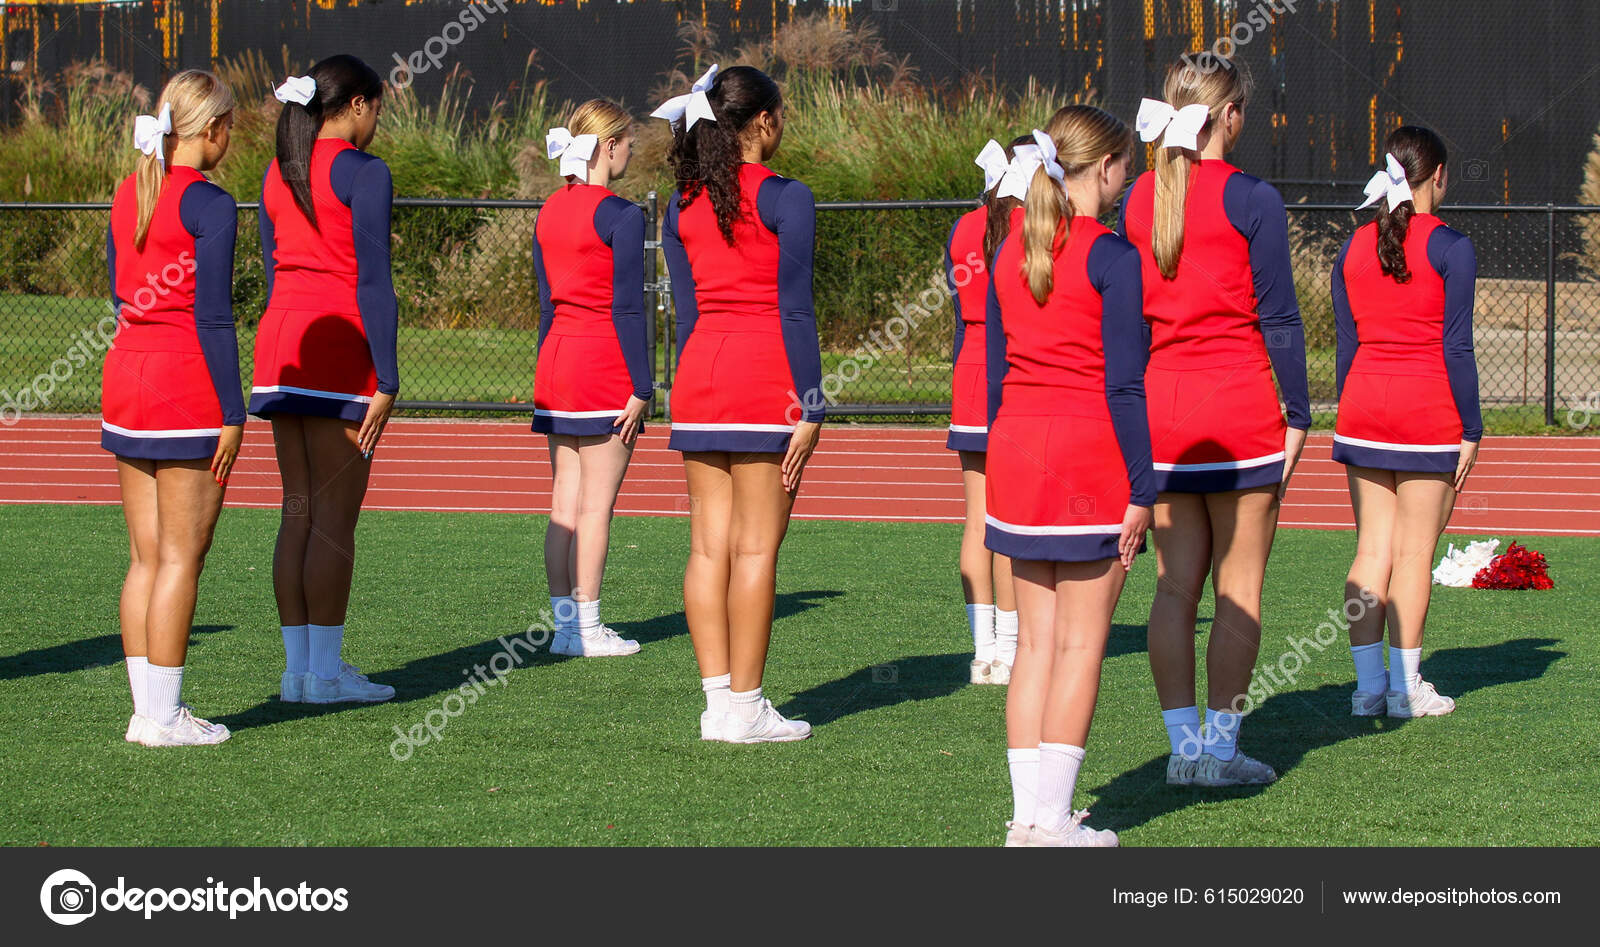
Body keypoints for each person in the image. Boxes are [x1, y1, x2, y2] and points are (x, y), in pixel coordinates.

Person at [1119, 56, 1311, 787]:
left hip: (1163, 418)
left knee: (1173, 590)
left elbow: (1127, 326)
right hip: (1237, 415)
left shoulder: (1137, 199)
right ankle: (1222, 751)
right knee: (1238, 589)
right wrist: (1299, 412)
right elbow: (1281, 319)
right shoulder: (1253, 197)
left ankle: (1182, 750)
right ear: (1229, 115)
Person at [986, 107, 1155, 846]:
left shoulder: (1008, 253)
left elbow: (998, 378)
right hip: (1088, 458)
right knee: (1081, 645)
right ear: (1106, 168)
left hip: (1017, 455)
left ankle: (1029, 816)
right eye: (1124, 166)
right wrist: (1145, 489)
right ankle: (1052, 819)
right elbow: (1125, 386)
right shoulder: (1112, 256)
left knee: (1033, 644)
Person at [656, 64, 823, 743]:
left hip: (698, 379)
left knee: (706, 547)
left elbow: (689, 312)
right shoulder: (788, 196)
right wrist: (812, 405)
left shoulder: (680, 202)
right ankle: (748, 707)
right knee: (756, 549)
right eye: (780, 113)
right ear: (761, 122)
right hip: (764, 382)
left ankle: (718, 703)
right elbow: (795, 310)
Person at [252, 56, 398, 705]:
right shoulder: (364, 172)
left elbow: (270, 265)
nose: (377, 123)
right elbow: (373, 279)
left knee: (299, 510)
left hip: (281, 344)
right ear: (358, 104)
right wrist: (388, 377)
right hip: (339, 347)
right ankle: (326, 673)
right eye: (377, 109)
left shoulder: (276, 172)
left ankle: (299, 673)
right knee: (335, 520)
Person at [103, 69, 241, 746]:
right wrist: (234, 413)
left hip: (126, 379)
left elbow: (116, 295)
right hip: (185, 389)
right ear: (210, 130)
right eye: (229, 128)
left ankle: (145, 710)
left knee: (146, 556)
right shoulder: (212, 205)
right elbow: (216, 318)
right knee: (183, 555)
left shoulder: (129, 191)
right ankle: (162, 716)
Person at [1332, 127, 1481, 718]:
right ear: (1437, 174)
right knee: (1415, 554)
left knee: (1372, 550)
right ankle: (1405, 689)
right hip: (1428, 411)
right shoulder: (1452, 246)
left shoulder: (1352, 247)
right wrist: (1472, 428)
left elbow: (1347, 348)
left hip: (1364, 404)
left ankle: (1369, 688)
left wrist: (1355, 408)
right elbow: (1458, 348)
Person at [532, 99, 652, 658]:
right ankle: (590, 627)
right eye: (627, 141)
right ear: (608, 146)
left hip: (555, 362)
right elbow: (630, 309)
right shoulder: (623, 215)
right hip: (602, 361)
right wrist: (644, 387)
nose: (632, 150)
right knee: (595, 508)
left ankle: (564, 629)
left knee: (564, 505)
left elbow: (544, 307)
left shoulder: (548, 210)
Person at [947, 137, 1028, 685]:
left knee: (977, 519)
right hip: (1012, 372)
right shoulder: (1029, 228)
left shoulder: (963, 227)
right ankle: (1009, 649)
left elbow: (960, 311)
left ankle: (983, 654)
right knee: (1008, 521)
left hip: (969, 373)